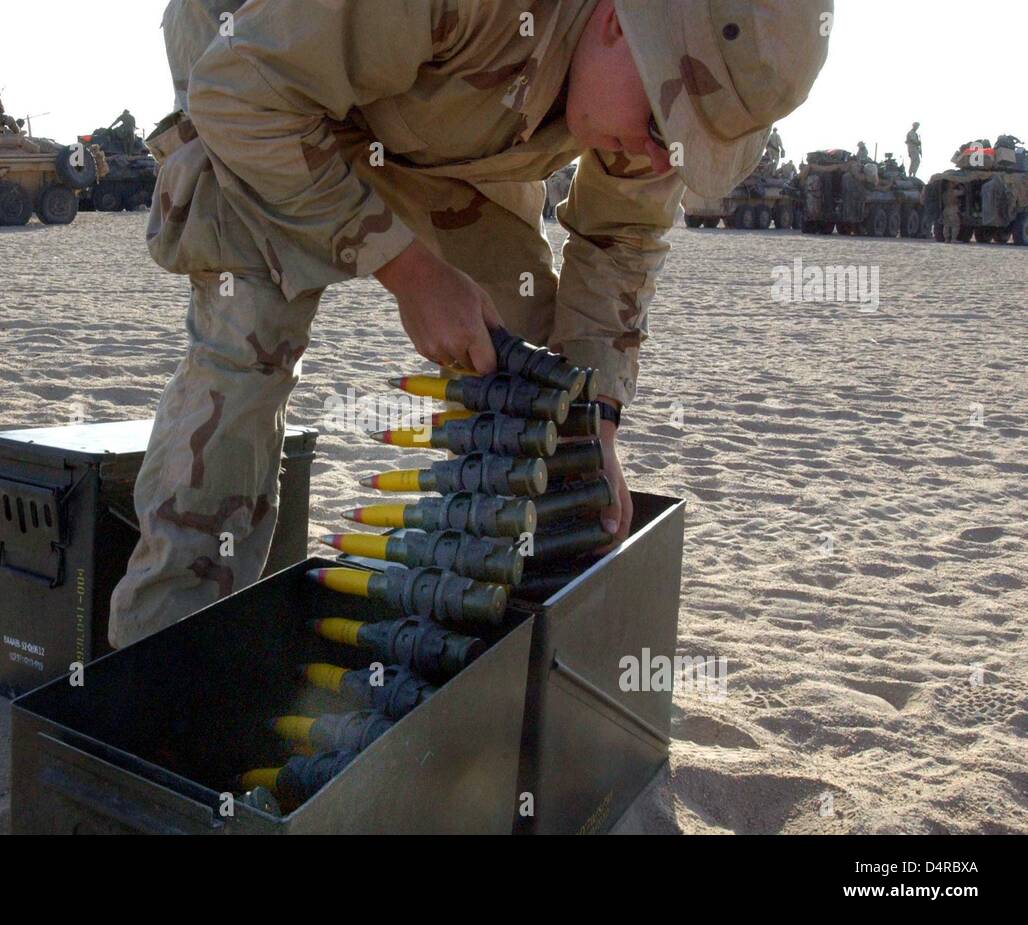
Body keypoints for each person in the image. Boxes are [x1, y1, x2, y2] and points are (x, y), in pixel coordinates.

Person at [107, 0, 834, 647]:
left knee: (528, 373)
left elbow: (620, 242)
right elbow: (244, 96)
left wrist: (595, 421)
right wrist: (408, 269)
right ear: (616, 22)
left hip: (456, 121)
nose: (654, 158)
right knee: (251, 342)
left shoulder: (657, 89)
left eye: (680, 147)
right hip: (269, 70)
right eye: (658, 127)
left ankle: (484, 622)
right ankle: (166, 652)